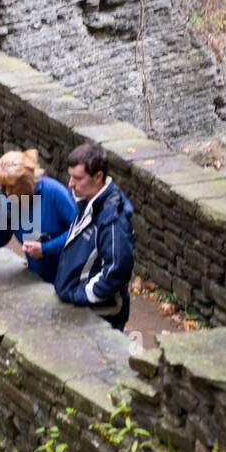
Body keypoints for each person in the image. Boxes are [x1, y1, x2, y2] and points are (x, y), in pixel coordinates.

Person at [53, 142, 135, 331]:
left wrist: (80, 295)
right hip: (82, 308)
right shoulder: (86, 198)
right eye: (70, 176)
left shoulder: (113, 218)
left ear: (98, 176)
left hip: (100, 314)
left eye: (77, 178)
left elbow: (117, 270)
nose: (70, 184)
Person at [0, 149, 76, 285]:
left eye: (12, 187)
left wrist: (46, 249)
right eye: (4, 187)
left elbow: (82, 232)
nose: (7, 192)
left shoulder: (53, 192)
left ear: (27, 181)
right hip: (37, 278)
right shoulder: (9, 199)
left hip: (69, 277)